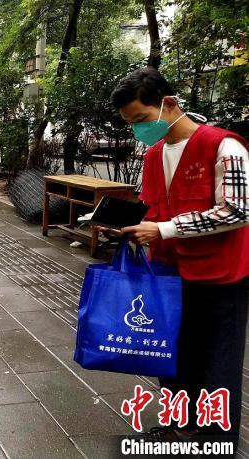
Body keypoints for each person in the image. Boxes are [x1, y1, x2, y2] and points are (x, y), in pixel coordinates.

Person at [111, 66, 249, 448]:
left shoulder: (223, 146)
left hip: (220, 277)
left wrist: (165, 230)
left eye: (141, 119)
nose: (138, 129)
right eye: (131, 123)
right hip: (168, 274)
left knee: (217, 363)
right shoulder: (154, 155)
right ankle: (182, 427)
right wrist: (138, 230)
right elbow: (155, 209)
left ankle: (218, 443)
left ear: (168, 103)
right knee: (169, 356)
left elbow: (237, 211)